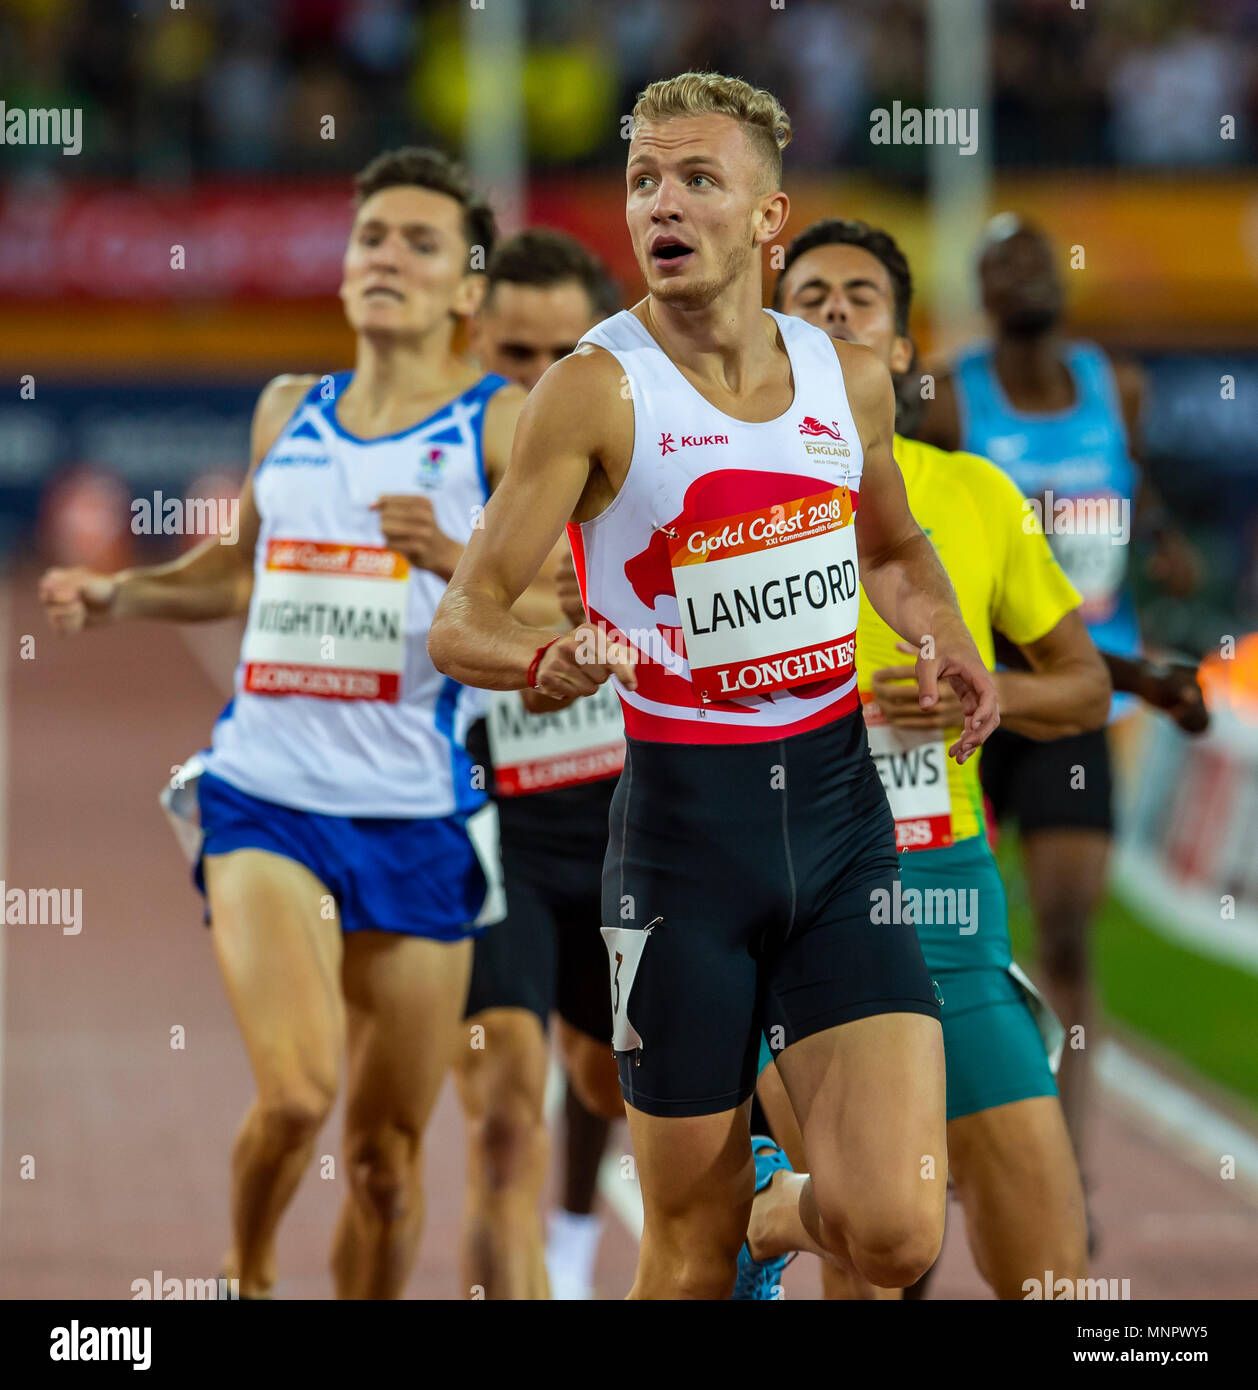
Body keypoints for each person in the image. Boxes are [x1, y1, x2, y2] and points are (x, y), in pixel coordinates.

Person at [429, 72, 1000, 1300]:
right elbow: (458, 618)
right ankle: (738, 1212)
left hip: (844, 827)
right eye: (643, 181)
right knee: (684, 1251)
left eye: (698, 179)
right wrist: (546, 658)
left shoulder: (842, 378)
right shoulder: (592, 391)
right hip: (682, 842)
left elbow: (893, 547)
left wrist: (948, 639)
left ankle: (777, 1208)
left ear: (766, 217)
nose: (662, 204)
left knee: (897, 1234)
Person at [39, 147, 536, 1300]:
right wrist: (125, 593)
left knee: (384, 1163)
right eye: (372, 237)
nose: (386, 258)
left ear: (468, 290)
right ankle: (248, 1272)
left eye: (419, 242)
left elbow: (567, 604)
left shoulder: (503, 428)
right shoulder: (288, 410)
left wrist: (455, 558)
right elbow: (241, 571)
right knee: (302, 1091)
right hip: (264, 793)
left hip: (417, 817)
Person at [738, 217, 1111, 1300]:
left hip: (949, 891)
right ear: (772, 330)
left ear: (902, 349)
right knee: (880, 1251)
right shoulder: (718, 487)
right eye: (809, 295)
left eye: (863, 296)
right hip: (800, 898)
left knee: (1054, 1272)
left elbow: (1081, 684)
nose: (838, 309)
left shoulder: (974, 494)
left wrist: (978, 701)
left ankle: (760, 1214)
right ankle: (763, 1213)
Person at [918, 216, 1208, 1187]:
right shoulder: (954, 403)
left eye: (1037, 257)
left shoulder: (1113, 387)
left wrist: (1158, 530)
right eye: (1002, 262)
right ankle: (953, 1131)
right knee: (954, 923)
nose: (1024, 273)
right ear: (984, 293)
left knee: (1071, 924)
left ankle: (1066, 1162)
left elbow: (1126, 479)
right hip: (966, 693)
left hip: (1078, 694)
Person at [456, 228, 625, 1300]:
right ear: (477, 343)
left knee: (609, 1079)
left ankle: (569, 1233)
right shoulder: (432, 473)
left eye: (559, 355)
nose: (534, 383)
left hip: (626, 825)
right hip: (490, 831)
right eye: (513, 356)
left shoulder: (642, 470)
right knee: (508, 1107)